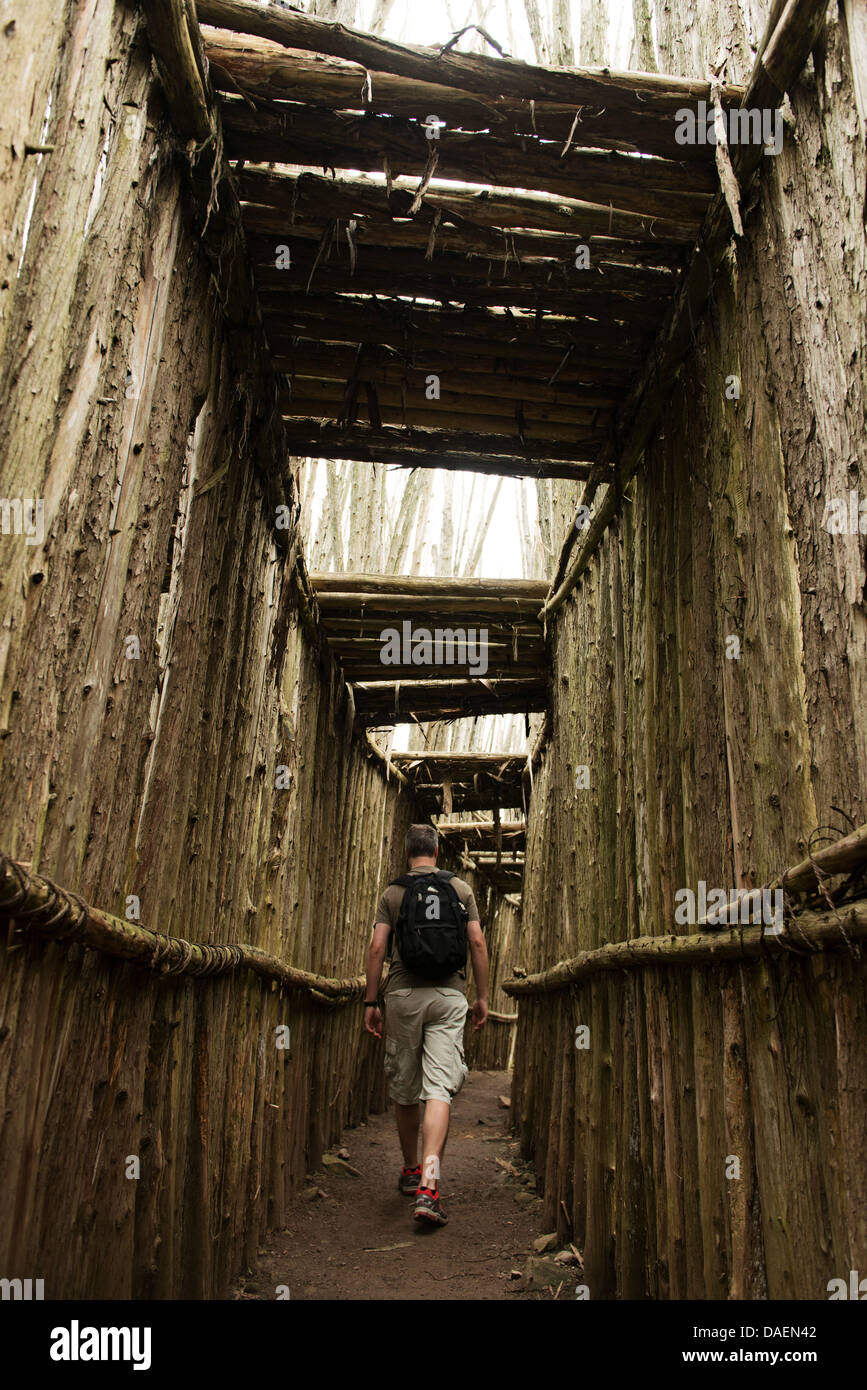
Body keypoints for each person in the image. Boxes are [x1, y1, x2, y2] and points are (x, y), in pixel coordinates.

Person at [363, 823, 489, 1226]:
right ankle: (429, 1186)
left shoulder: (393, 893)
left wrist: (371, 1000)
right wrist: (482, 996)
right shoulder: (460, 889)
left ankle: (410, 1168)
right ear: (437, 852)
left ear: (407, 853)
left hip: (403, 996)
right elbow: (477, 943)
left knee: (405, 1086)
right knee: (438, 1089)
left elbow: (378, 948)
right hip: (449, 997)